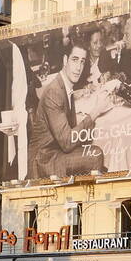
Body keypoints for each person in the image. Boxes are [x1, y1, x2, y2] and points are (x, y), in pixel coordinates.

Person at [28, 37, 100, 177]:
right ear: (65, 60)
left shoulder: (66, 86)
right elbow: (67, 142)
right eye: (74, 60)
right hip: (45, 160)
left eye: (82, 61)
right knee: (95, 154)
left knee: (92, 143)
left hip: (56, 151)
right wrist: (95, 112)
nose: (78, 67)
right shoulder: (54, 92)